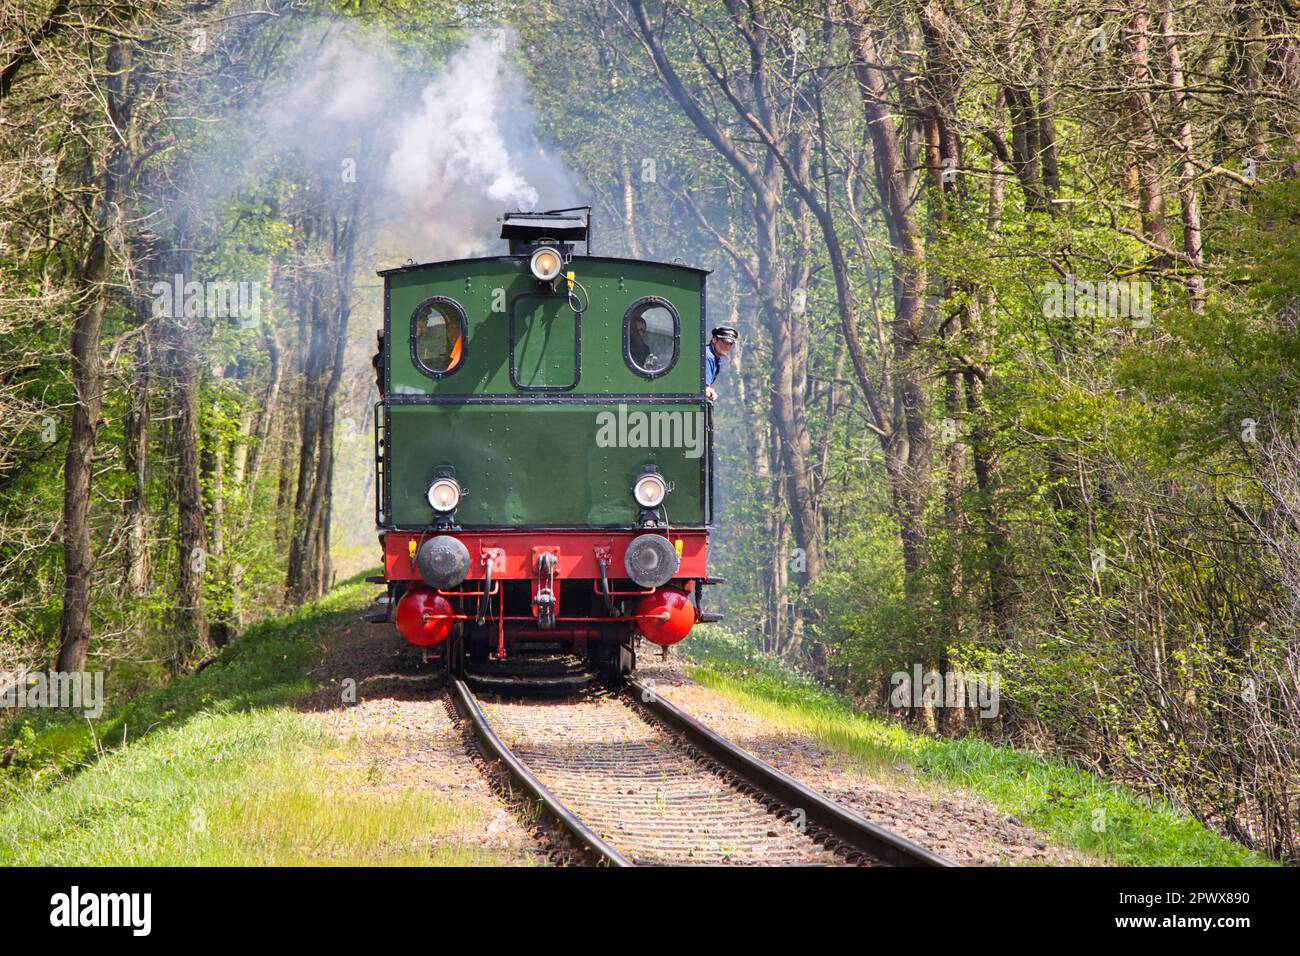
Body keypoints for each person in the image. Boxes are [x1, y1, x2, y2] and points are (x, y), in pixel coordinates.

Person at [704, 326, 738, 401]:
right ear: (714, 339)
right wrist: (709, 391)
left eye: (730, 344)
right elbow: (704, 389)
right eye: (725, 342)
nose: (728, 347)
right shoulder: (708, 356)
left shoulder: (716, 358)